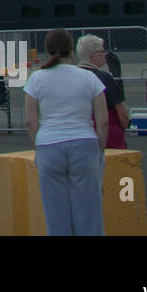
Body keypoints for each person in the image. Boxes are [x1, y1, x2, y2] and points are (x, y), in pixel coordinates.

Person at [24, 28, 108, 235]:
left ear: (47, 50)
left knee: (55, 212)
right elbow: (103, 120)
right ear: (72, 49)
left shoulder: (36, 79)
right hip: (84, 142)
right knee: (89, 211)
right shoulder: (90, 78)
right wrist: (100, 150)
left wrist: (38, 146)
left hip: (49, 144)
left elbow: (30, 121)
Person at [77, 34, 127, 149]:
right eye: (102, 51)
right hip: (107, 134)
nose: (105, 55)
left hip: (78, 134)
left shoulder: (70, 77)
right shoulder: (104, 78)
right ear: (93, 56)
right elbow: (122, 113)